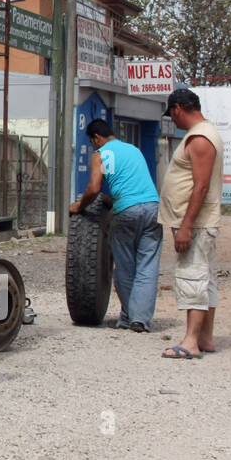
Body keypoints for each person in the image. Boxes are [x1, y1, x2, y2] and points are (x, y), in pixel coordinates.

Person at [70, 118, 162, 331]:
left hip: (127, 214)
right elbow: (134, 187)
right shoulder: (134, 150)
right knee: (147, 266)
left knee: (125, 265)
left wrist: (78, 206)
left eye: (93, 142)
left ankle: (129, 316)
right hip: (153, 208)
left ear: (97, 138)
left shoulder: (100, 154)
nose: (94, 146)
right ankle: (141, 319)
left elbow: (93, 188)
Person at [157, 88, 224, 359]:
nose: (173, 121)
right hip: (196, 221)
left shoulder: (200, 138)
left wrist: (186, 225)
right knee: (204, 277)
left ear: (177, 109)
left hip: (196, 224)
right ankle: (205, 337)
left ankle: (191, 341)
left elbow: (201, 186)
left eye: (172, 116)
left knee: (192, 276)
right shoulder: (202, 135)